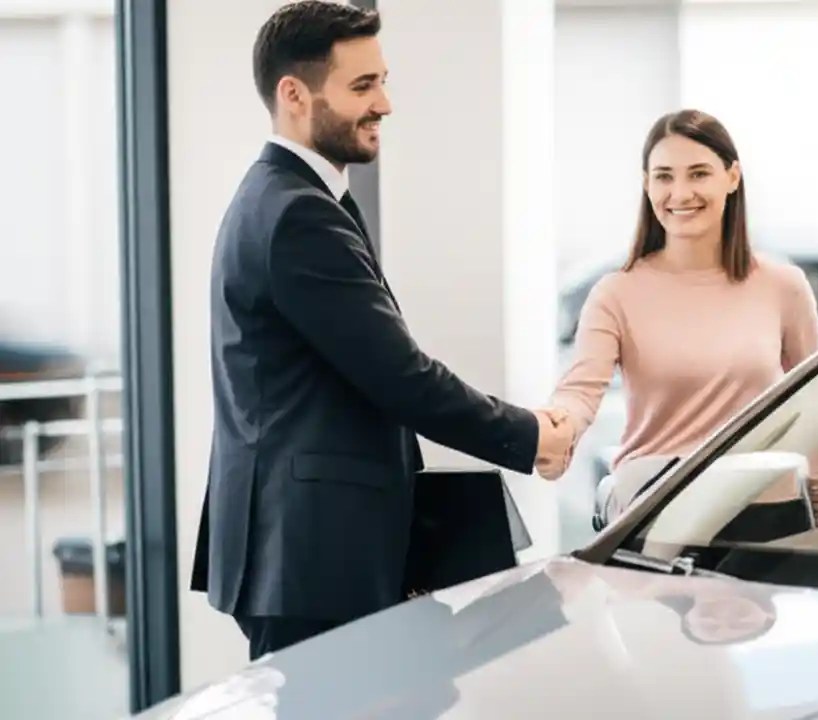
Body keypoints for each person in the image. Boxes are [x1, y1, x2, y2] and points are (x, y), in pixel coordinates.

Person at [189, 0, 573, 661]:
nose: (386, 103)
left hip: (305, 555)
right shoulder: (296, 216)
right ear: (295, 95)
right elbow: (399, 375)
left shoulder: (285, 199)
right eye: (363, 85)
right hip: (311, 560)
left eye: (383, 80)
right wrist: (529, 435)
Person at [546, 109, 818, 537]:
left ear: (732, 177)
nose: (680, 192)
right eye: (664, 176)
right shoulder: (616, 293)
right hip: (657, 515)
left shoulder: (783, 286)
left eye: (698, 173)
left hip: (766, 517)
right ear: (647, 184)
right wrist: (558, 428)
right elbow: (580, 390)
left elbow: (816, 408)